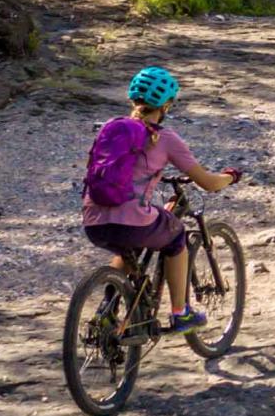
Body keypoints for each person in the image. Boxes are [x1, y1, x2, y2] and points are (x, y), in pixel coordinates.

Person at [81, 66, 240, 333]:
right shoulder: (165, 139)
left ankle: (106, 312)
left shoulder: (111, 128)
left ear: (133, 100)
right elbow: (208, 183)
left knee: (127, 246)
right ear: (166, 105)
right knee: (175, 235)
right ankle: (181, 313)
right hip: (131, 222)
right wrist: (230, 176)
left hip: (94, 221)